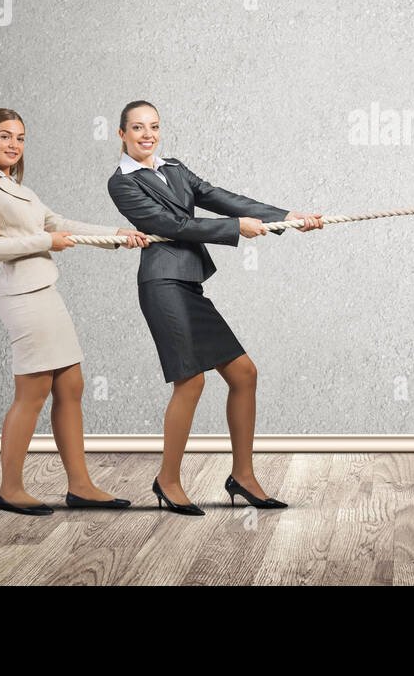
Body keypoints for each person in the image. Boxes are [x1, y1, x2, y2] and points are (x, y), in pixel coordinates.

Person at [107, 100, 322, 515]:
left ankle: (242, 476)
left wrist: (286, 217)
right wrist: (234, 230)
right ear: (122, 134)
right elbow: (172, 226)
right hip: (162, 284)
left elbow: (218, 197)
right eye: (137, 128)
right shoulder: (121, 183)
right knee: (191, 383)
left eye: (153, 126)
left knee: (244, 373)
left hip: (188, 284)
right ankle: (167, 480)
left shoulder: (175, 168)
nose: (147, 134)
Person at [0, 107, 149, 514]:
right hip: (23, 296)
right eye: (6, 136)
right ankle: (10, 488)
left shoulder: (20, 188)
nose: (14, 144)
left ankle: (80, 485)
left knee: (71, 385)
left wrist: (116, 235)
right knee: (33, 391)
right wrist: (45, 241)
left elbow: (59, 222)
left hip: (46, 292)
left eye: (21, 137)